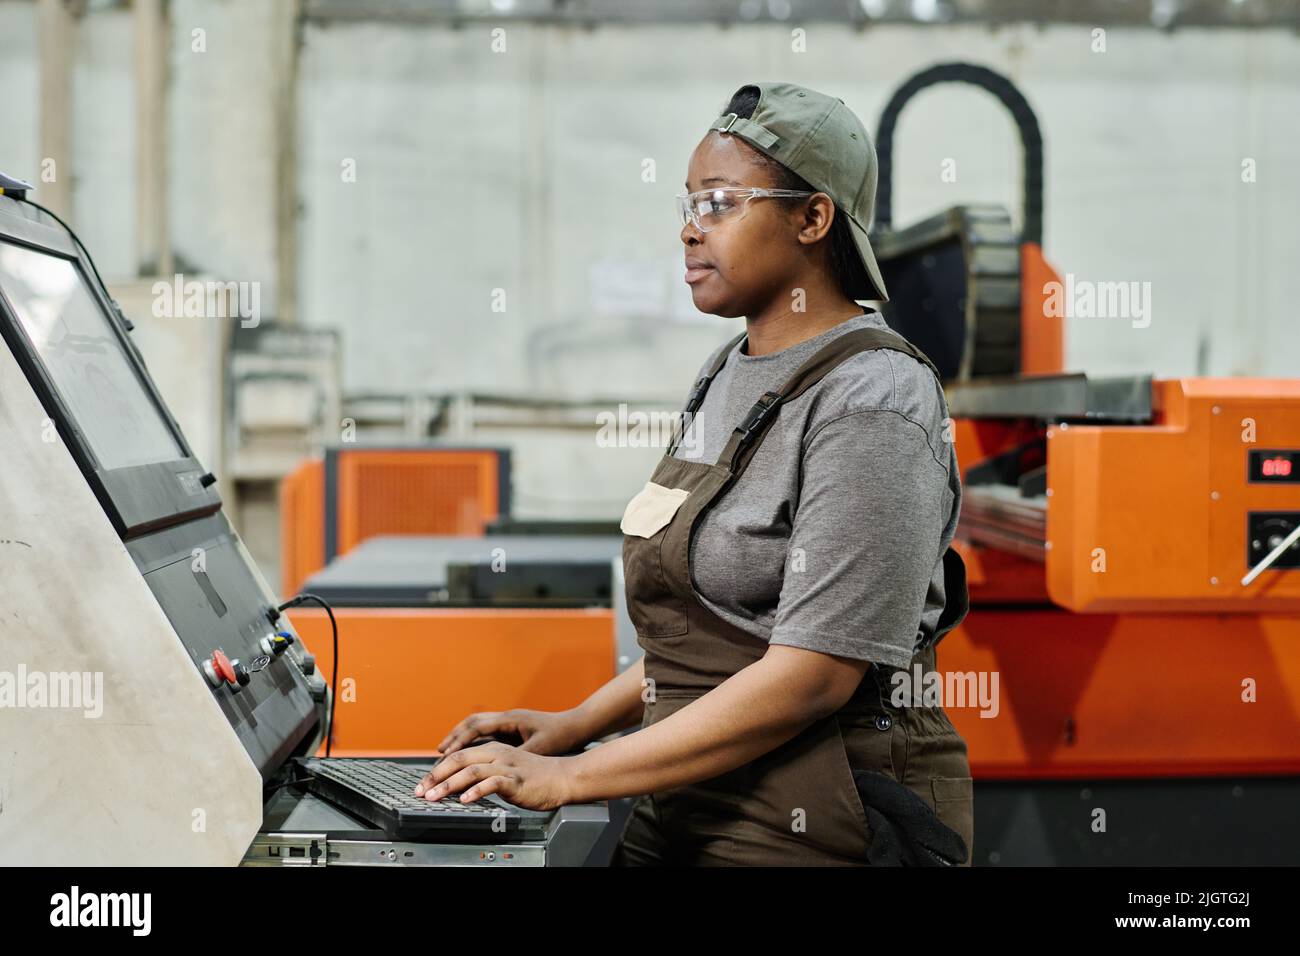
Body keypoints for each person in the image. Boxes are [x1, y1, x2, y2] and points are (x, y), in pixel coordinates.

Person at [416, 82, 974, 866]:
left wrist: (574, 776)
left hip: (819, 819)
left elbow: (811, 674)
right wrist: (572, 724)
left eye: (719, 203)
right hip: (691, 797)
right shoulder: (730, 370)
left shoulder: (873, 397)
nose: (688, 229)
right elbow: (713, 625)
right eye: (688, 204)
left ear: (813, 219)